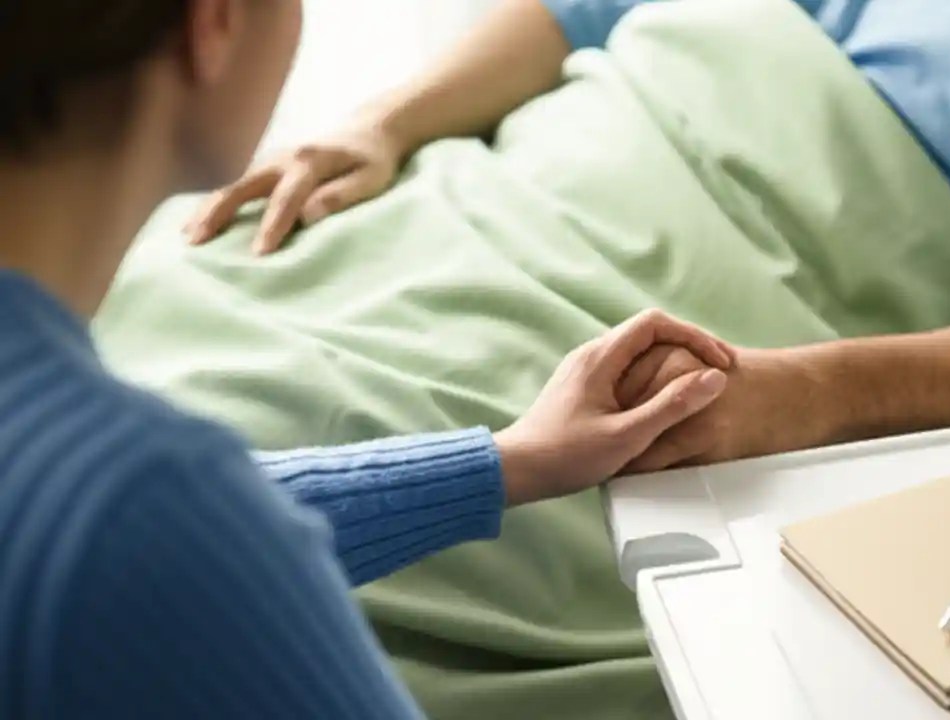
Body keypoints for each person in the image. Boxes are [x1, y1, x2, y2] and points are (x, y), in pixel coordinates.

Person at [0, 1, 738, 717]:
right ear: (212, 24)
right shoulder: (151, 503)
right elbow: (158, 537)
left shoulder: (110, 491)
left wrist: (506, 462)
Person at [189, 0, 950, 471]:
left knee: (320, 426)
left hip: (740, 291)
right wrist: (382, 124)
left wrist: (809, 394)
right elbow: (584, 3)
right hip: (510, 184)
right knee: (187, 301)